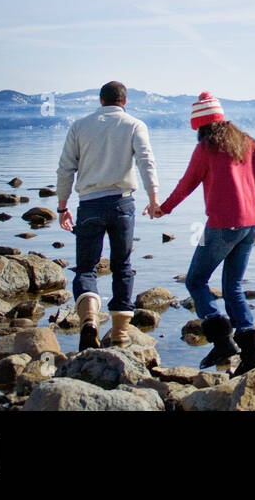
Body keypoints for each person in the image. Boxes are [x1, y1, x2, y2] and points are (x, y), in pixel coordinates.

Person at [153, 92, 255, 376]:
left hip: (221, 226)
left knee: (196, 280)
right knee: (233, 286)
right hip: (251, 226)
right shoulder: (248, 144)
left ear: (201, 126)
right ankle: (250, 355)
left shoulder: (206, 149)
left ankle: (221, 339)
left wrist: (164, 208)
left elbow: (187, 184)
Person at [56, 80, 160, 351]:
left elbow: (65, 168)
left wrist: (61, 205)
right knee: (122, 266)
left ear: (100, 101)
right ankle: (119, 334)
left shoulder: (79, 126)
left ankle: (89, 319)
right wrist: (153, 198)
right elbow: (146, 161)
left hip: (89, 205)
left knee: (86, 268)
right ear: (124, 102)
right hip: (122, 205)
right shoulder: (134, 125)